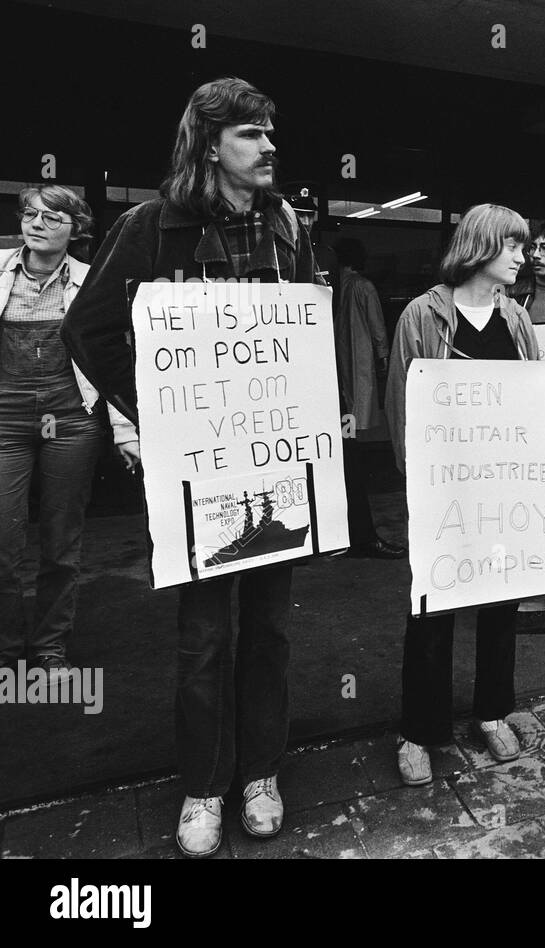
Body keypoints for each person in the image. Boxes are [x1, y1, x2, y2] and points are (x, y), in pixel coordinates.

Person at [62, 77, 320, 857]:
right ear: (210, 145)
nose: (269, 145)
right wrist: (156, 412)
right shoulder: (150, 226)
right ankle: (205, 786)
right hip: (196, 472)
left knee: (270, 630)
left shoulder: (286, 227)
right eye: (250, 133)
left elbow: (305, 332)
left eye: (270, 130)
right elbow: (90, 328)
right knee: (204, 637)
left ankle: (261, 775)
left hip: (274, 461)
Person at [385, 203, 540, 783]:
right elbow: (403, 406)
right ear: (480, 247)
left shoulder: (517, 320)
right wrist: (416, 487)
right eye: (514, 247)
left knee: (502, 600)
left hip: (503, 491)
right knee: (433, 606)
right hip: (444, 491)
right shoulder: (422, 315)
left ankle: (493, 712)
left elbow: (530, 406)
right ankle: (419, 730)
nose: (523, 258)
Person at [0, 186, 138, 676]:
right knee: (4, 540)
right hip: (6, 418)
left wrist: (125, 430)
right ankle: (7, 649)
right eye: (30, 214)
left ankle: (50, 648)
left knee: (61, 542)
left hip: (71, 418)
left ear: (75, 229)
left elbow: (112, 357)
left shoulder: (91, 280)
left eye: (52, 217)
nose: (36, 223)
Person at [333, 237, 404, 559]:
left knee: (346, 439)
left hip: (339, 379)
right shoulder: (363, 287)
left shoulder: (334, 287)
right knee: (351, 445)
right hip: (358, 373)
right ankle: (358, 533)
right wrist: (385, 363)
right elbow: (378, 330)